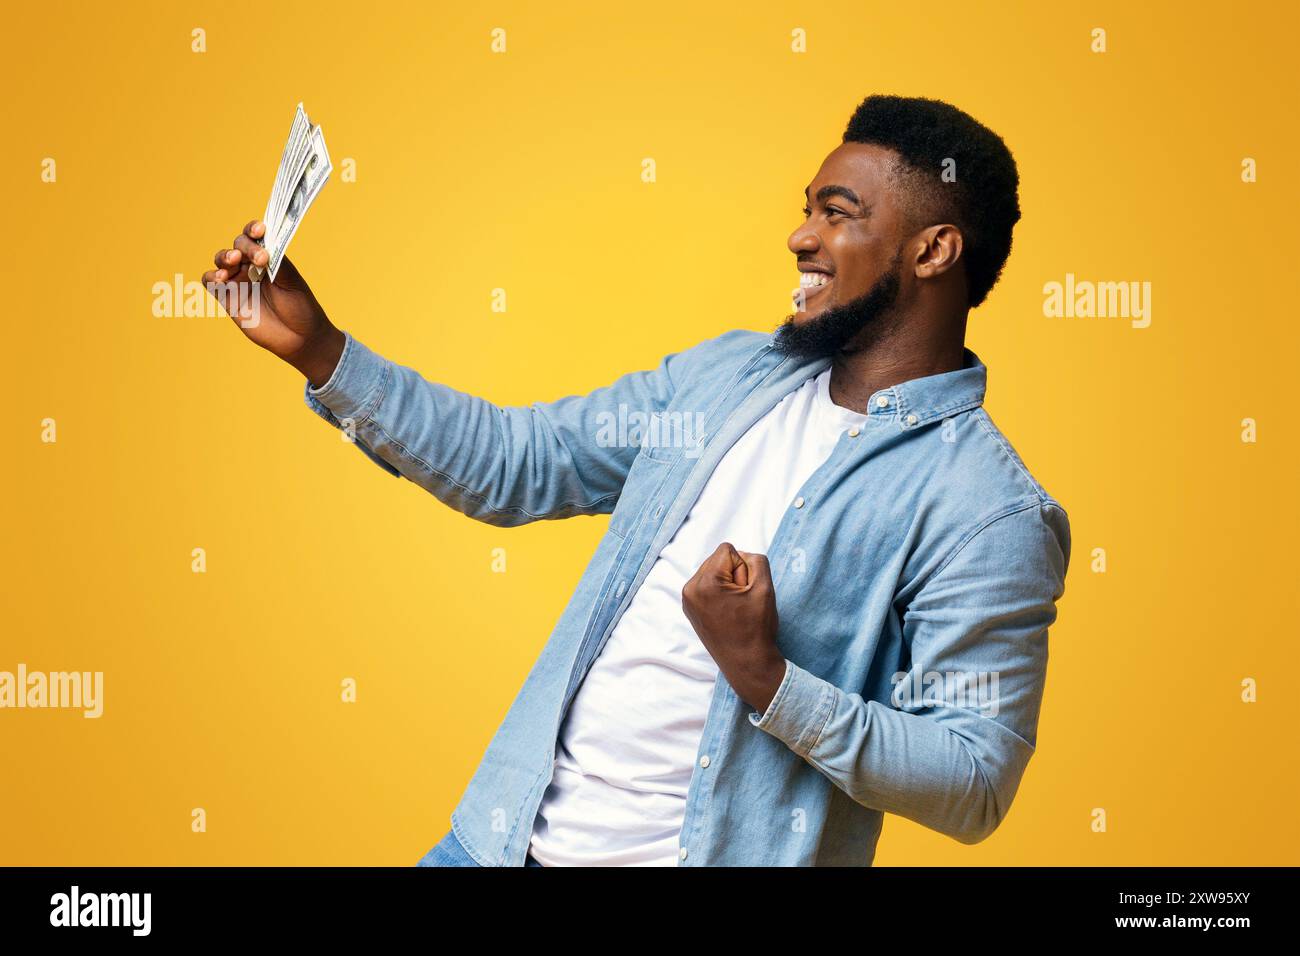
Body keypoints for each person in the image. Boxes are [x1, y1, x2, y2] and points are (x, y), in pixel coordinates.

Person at [202, 94, 1070, 867]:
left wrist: (768, 678)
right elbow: (519, 461)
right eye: (806, 210)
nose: (801, 236)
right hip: (495, 844)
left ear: (933, 251)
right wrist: (324, 353)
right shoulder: (726, 375)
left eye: (836, 214)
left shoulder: (988, 510)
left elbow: (974, 779)